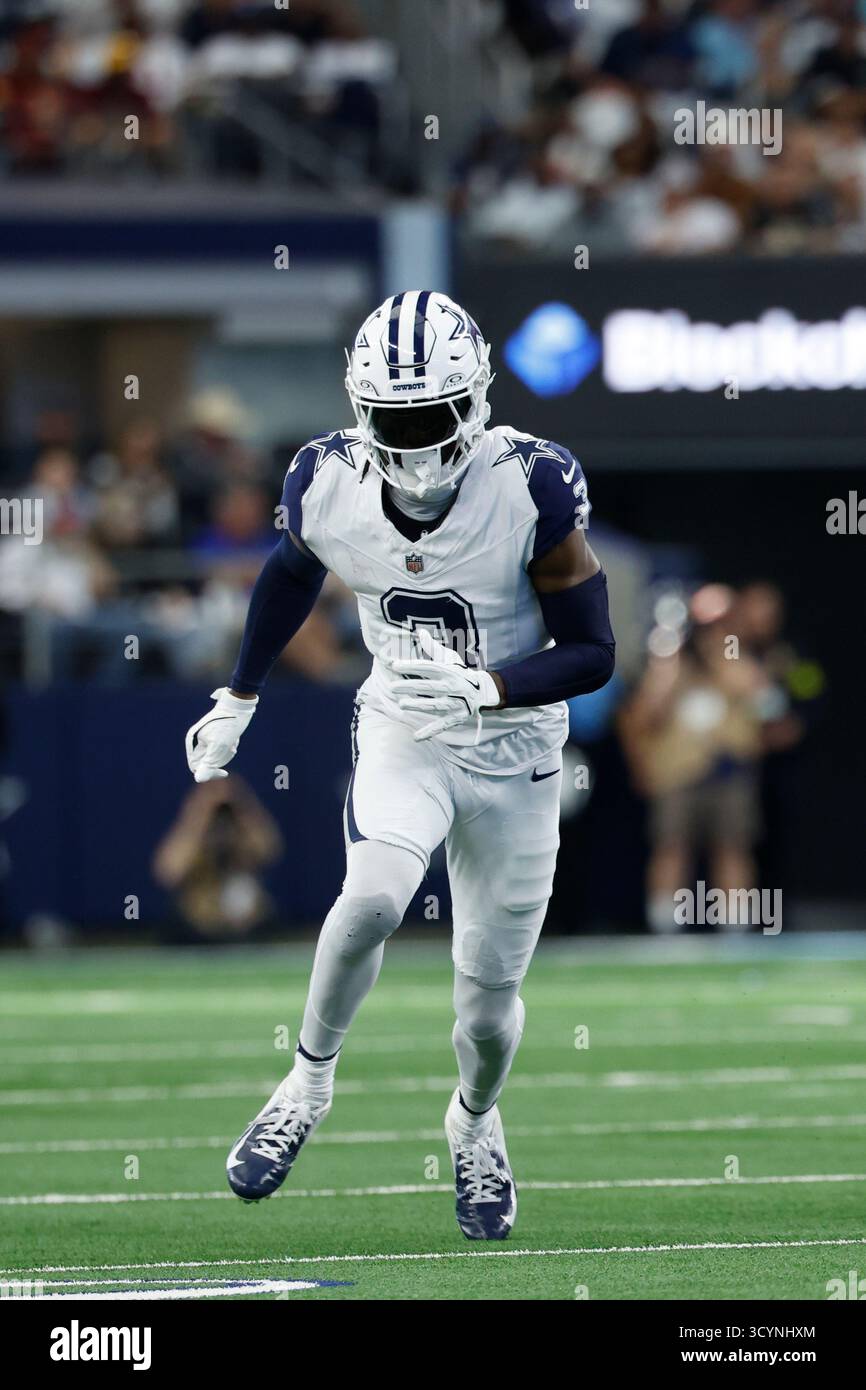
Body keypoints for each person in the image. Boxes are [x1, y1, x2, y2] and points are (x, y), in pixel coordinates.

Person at [184, 291, 615, 1239]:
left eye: (433, 418)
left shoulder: (532, 484)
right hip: (406, 728)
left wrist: (492, 688)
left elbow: (594, 652)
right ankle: (306, 1082)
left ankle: (472, 1122)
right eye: (397, 419)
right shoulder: (323, 479)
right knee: (373, 895)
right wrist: (240, 693)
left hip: (515, 752)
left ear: (476, 402)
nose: (416, 444)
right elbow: (293, 568)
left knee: (489, 1006)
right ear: (359, 407)